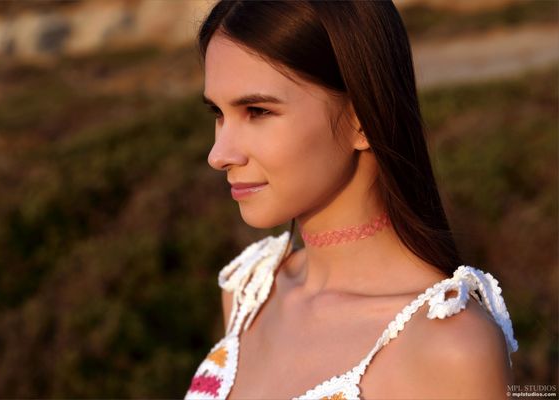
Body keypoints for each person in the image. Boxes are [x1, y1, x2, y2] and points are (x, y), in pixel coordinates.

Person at [185, 1, 518, 399]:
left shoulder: (448, 345)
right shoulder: (249, 294)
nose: (219, 154)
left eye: (257, 111)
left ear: (362, 120)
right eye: (218, 113)